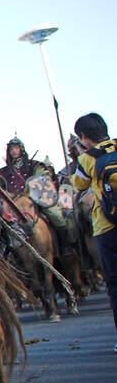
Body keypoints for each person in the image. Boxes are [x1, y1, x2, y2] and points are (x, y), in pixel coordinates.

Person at [72, 113, 117, 349]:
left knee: (115, 283)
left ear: (83, 137)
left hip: (107, 226)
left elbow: (78, 185)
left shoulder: (87, 158)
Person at [0, 137, 78, 257]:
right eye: (11, 149)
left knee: (56, 215)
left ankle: (66, 245)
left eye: (16, 148)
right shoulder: (2, 172)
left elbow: (44, 181)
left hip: (34, 199)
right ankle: (5, 253)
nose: (14, 151)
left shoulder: (34, 165)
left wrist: (32, 190)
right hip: (12, 203)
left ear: (21, 149)